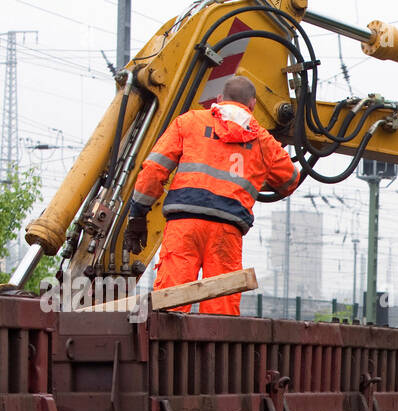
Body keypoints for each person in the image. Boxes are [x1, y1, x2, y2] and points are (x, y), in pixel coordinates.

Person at [123, 75, 300, 315]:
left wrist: (138, 214)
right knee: (221, 312)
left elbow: (154, 169)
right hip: (227, 233)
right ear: (252, 106)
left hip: (184, 227)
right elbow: (290, 180)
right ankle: (216, 352)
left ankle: (169, 352)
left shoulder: (189, 122)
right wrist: (258, 169)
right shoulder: (263, 141)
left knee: (170, 304)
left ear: (219, 100)